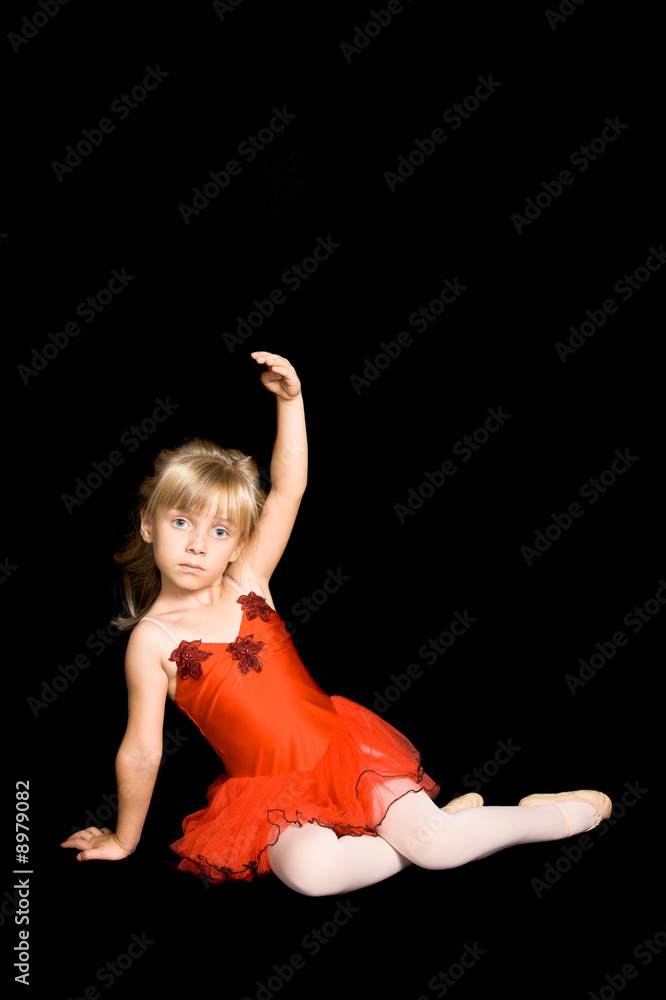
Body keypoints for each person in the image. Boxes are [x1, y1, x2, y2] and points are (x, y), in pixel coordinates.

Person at [61, 352, 612, 896]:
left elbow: (288, 489)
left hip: (340, 753)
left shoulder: (247, 582)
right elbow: (141, 751)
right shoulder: (152, 641)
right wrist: (125, 840)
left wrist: (291, 403)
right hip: (267, 789)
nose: (198, 544)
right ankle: (439, 827)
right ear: (148, 524)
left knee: (439, 849)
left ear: (236, 546)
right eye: (181, 521)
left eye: (221, 531)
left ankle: (566, 814)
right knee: (312, 875)